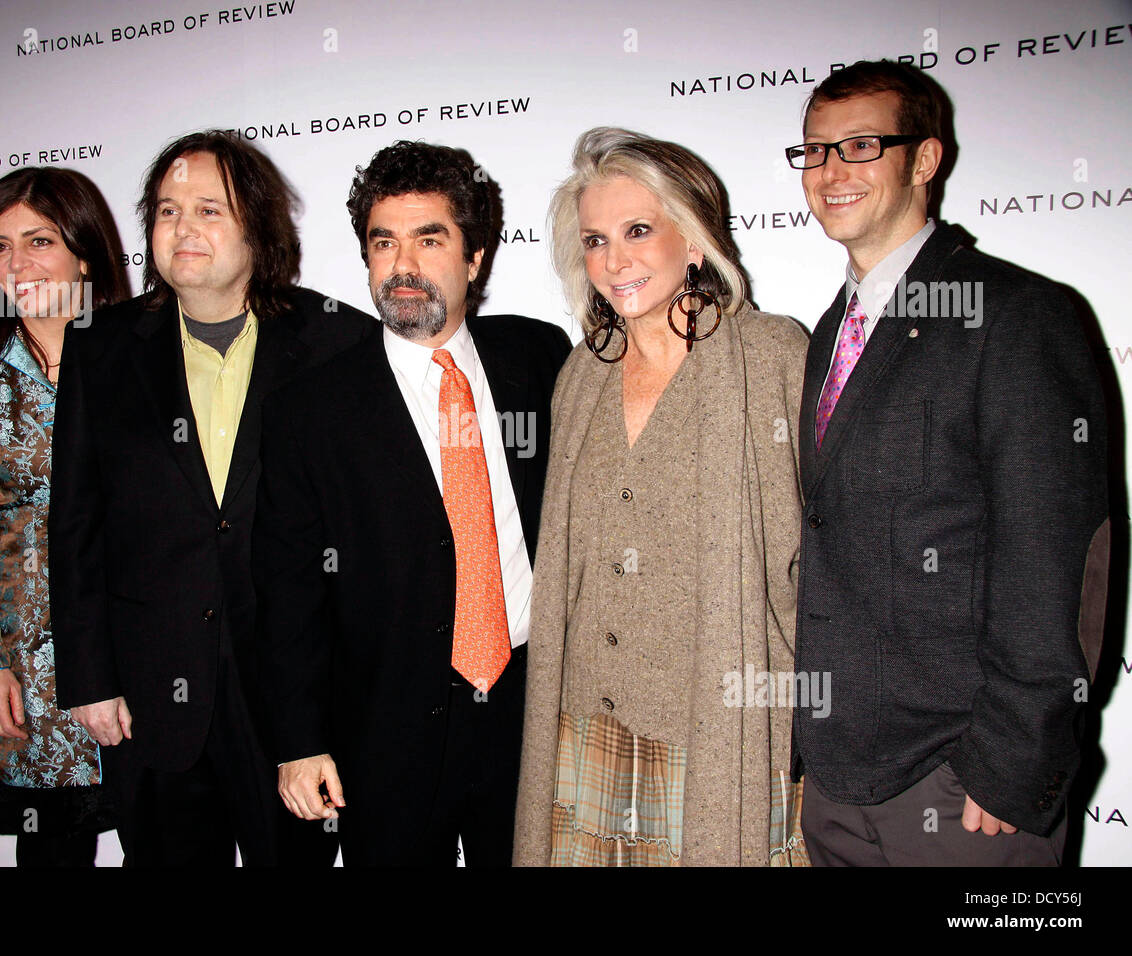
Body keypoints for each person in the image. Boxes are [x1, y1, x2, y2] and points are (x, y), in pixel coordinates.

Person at [785, 60, 1109, 865]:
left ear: (924, 160)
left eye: (861, 146)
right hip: (836, 774)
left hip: (961, 783)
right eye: (815, 152)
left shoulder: (1017, 314)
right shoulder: (830, 333)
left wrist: (1010, 764)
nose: (831, 172)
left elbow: (1060, 557)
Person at [50, 131, 375, 867]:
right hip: (148, 694)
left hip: (293, 703)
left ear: (258, 228)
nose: (183, 229)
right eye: (167, 211)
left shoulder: (336, 341)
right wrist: (90, 678)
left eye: (208, 210)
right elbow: (74, 522)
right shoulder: (100, 345)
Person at [259, 140, 571, 866]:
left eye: (430, 239)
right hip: (383, 728)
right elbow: (287, 590)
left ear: (475, 258)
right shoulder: (310, 409)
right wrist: (299, 743)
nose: (403, 265)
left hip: (529, 712)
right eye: (383, 242)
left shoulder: (539, 359)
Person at [512, 128, 809, 867]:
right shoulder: (581, 375)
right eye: (595, 240)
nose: (615, 260)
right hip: (588, 730)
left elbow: (816, 557)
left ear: (696, 238)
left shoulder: (773, 355)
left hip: (722, 731)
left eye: (638, 230)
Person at [0, 166, 129, 866]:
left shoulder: (140, 353)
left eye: (39, 240)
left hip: (141, 645)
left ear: (83, 250)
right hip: (31, 663)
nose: (16, 263)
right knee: (52, 852)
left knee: (168, 838)